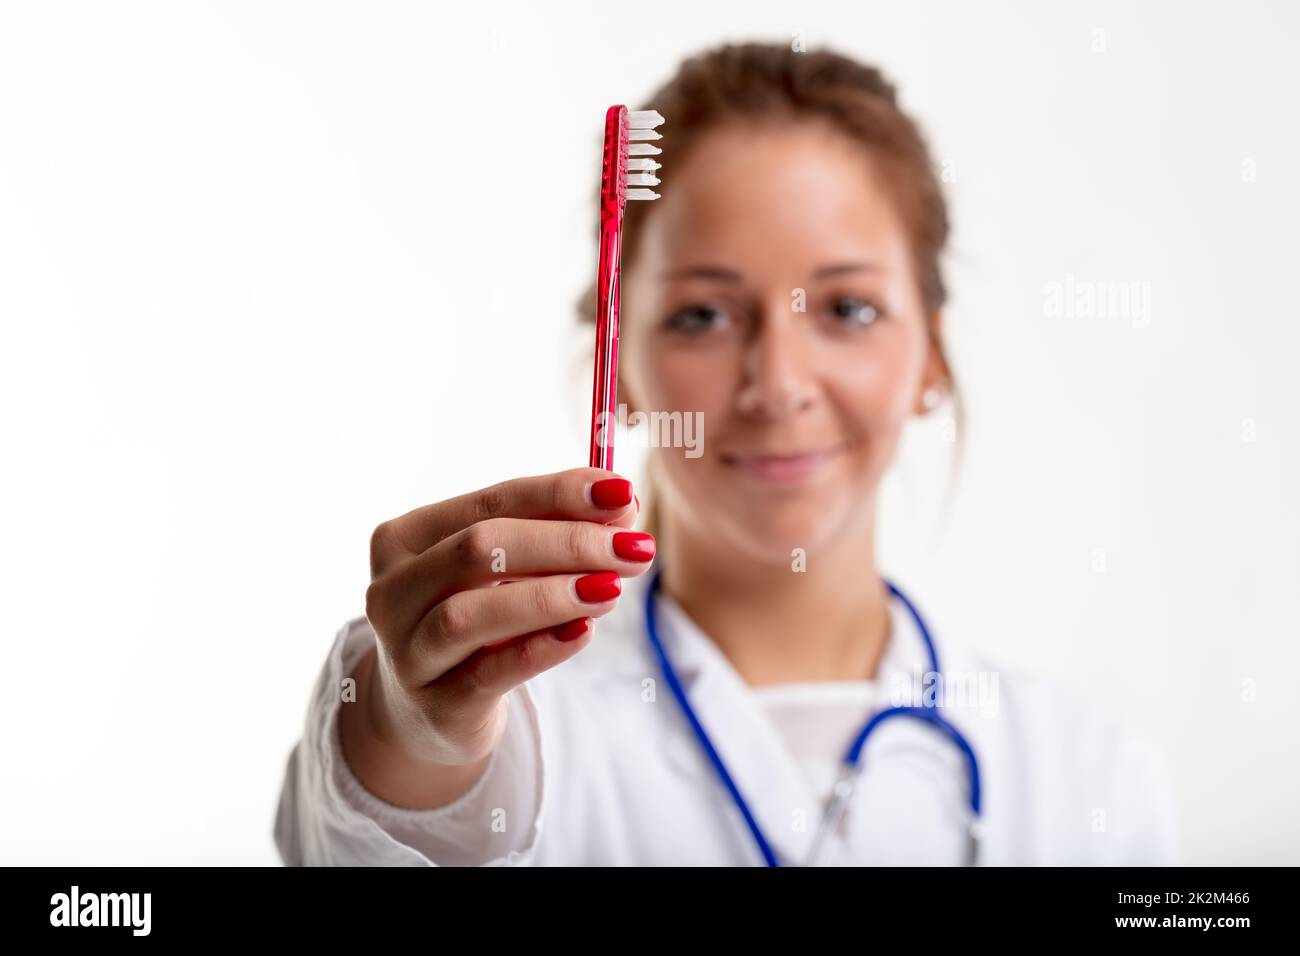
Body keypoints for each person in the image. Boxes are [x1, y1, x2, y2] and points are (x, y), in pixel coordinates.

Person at [273, 41, 1178, 866]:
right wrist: (411, 721)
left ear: (930, 359)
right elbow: (370, 829)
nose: (778, 383)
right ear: (617, 361)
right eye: (703, 315)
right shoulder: (526, 722)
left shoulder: (1086, 773)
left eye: (847, 309)